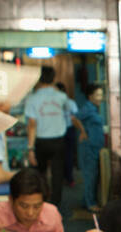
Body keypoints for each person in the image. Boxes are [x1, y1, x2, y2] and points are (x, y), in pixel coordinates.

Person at [25, 67, 84, 208]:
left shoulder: (32, 99)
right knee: (58, 173)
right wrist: (82, 130)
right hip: (58, 140)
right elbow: (72, 116)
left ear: (39, 79)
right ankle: (56, 204)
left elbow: (32, 124)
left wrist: (30, 148)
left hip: (41, 141)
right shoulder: (62, 97)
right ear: (53, 78)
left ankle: (42, 201)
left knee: (40, 173)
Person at [0, 168, 71, 232]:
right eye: (24, 206)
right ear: (11, 199)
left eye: (37, 206)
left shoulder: (52, 214)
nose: (30, 213)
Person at [78, 82, 107, 212]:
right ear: (90, 96)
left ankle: (86, 201)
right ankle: (90, 204)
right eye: (98, 95)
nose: (100, 97)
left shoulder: (94, 108)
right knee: (90, 175)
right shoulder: (87, 108)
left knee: (93, 175)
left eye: (101, 94)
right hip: (89, 147)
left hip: (96, 146)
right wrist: (83, 132)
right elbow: (74, 118)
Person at [56, 82, 82, 188]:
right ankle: (69, 179)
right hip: (68, 130)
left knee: (61, 156)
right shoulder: (71, 103)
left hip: (60, 131)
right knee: (68, 155)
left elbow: (75, 118)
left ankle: (64, 179)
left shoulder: (55, 104)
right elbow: (75, 116)